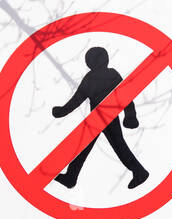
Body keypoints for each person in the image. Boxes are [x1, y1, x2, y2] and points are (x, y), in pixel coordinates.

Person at [51, 46, 150, 190]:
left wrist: (130, 116)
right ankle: (71, 176)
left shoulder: (100, 76)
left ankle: (139, 172)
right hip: (99, 118)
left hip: (104, 117)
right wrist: (130, 116)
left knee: (115, 146)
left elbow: (124, 95)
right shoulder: (100, 76)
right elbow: (78, 98)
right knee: (92, 146)